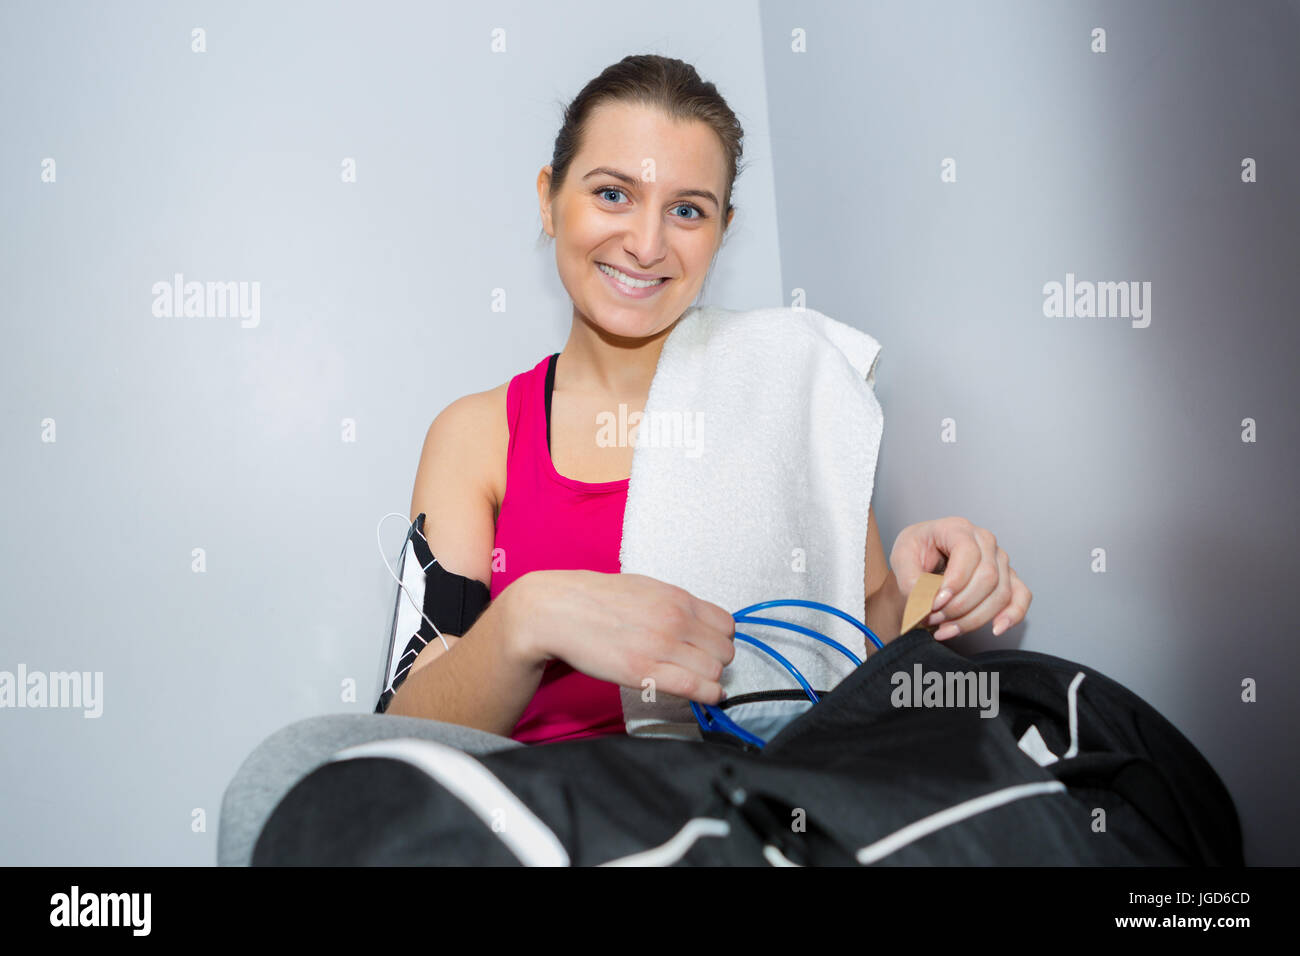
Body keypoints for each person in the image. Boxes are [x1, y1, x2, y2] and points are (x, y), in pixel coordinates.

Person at [385, 54, 1032, 743]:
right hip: (552, 821)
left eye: (687, 210)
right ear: (549, 197)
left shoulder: (788, 381)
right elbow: (404, 736)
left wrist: (926, 588)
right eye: (612, 194)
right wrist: (528, 617)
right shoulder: (479, 435)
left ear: (723, 228)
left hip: (755, 807)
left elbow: (851, 656)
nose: (644, 243)